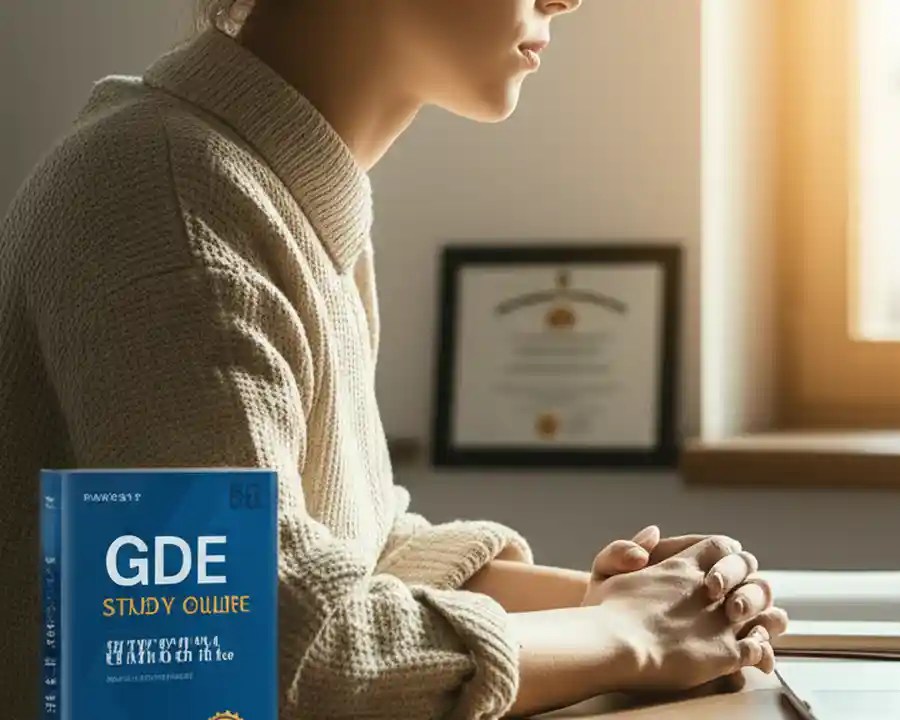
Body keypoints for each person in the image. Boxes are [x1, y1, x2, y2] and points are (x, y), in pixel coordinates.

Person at [0, 1, 788, 718]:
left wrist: (642, 603)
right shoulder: (164, 196)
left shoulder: (269, 185)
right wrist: (623, 637)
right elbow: (233, 640)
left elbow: (348, 552)